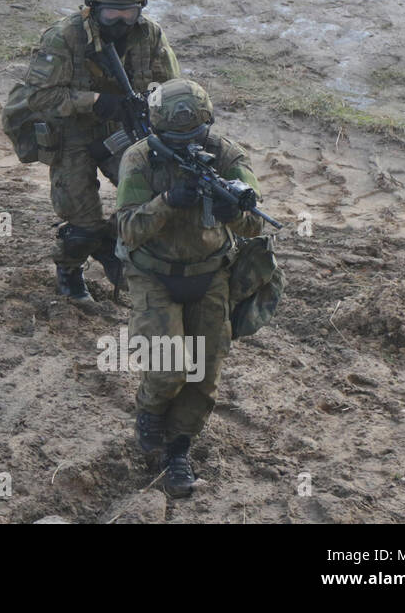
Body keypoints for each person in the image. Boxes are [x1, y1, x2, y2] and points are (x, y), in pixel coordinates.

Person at [115, 78, 266, 497]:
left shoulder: (227, 156)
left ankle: (178, 450)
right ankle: (149, 411)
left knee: (202, 377)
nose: (186, 145)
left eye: (194, 137)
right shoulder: (140, 158)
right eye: (175, 139)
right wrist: (166, 201)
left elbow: (255, 224)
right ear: (158, 130)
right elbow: (127, 230)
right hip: (154, 274)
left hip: (210, 273)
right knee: (168, 370)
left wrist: (231, 211)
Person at [17, 0, 179, 299]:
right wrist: (93, 100)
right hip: (70, 132)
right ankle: (71, 268)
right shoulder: (64, 37)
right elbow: (38, 97)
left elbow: (170, 87)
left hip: (119, 129)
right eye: (111, 14)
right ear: (93, 8)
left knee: (152, 198)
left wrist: (154, 106)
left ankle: (120, 249)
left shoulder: (150, 36)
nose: (121, 21)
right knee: (82, 223)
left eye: (129, 12)